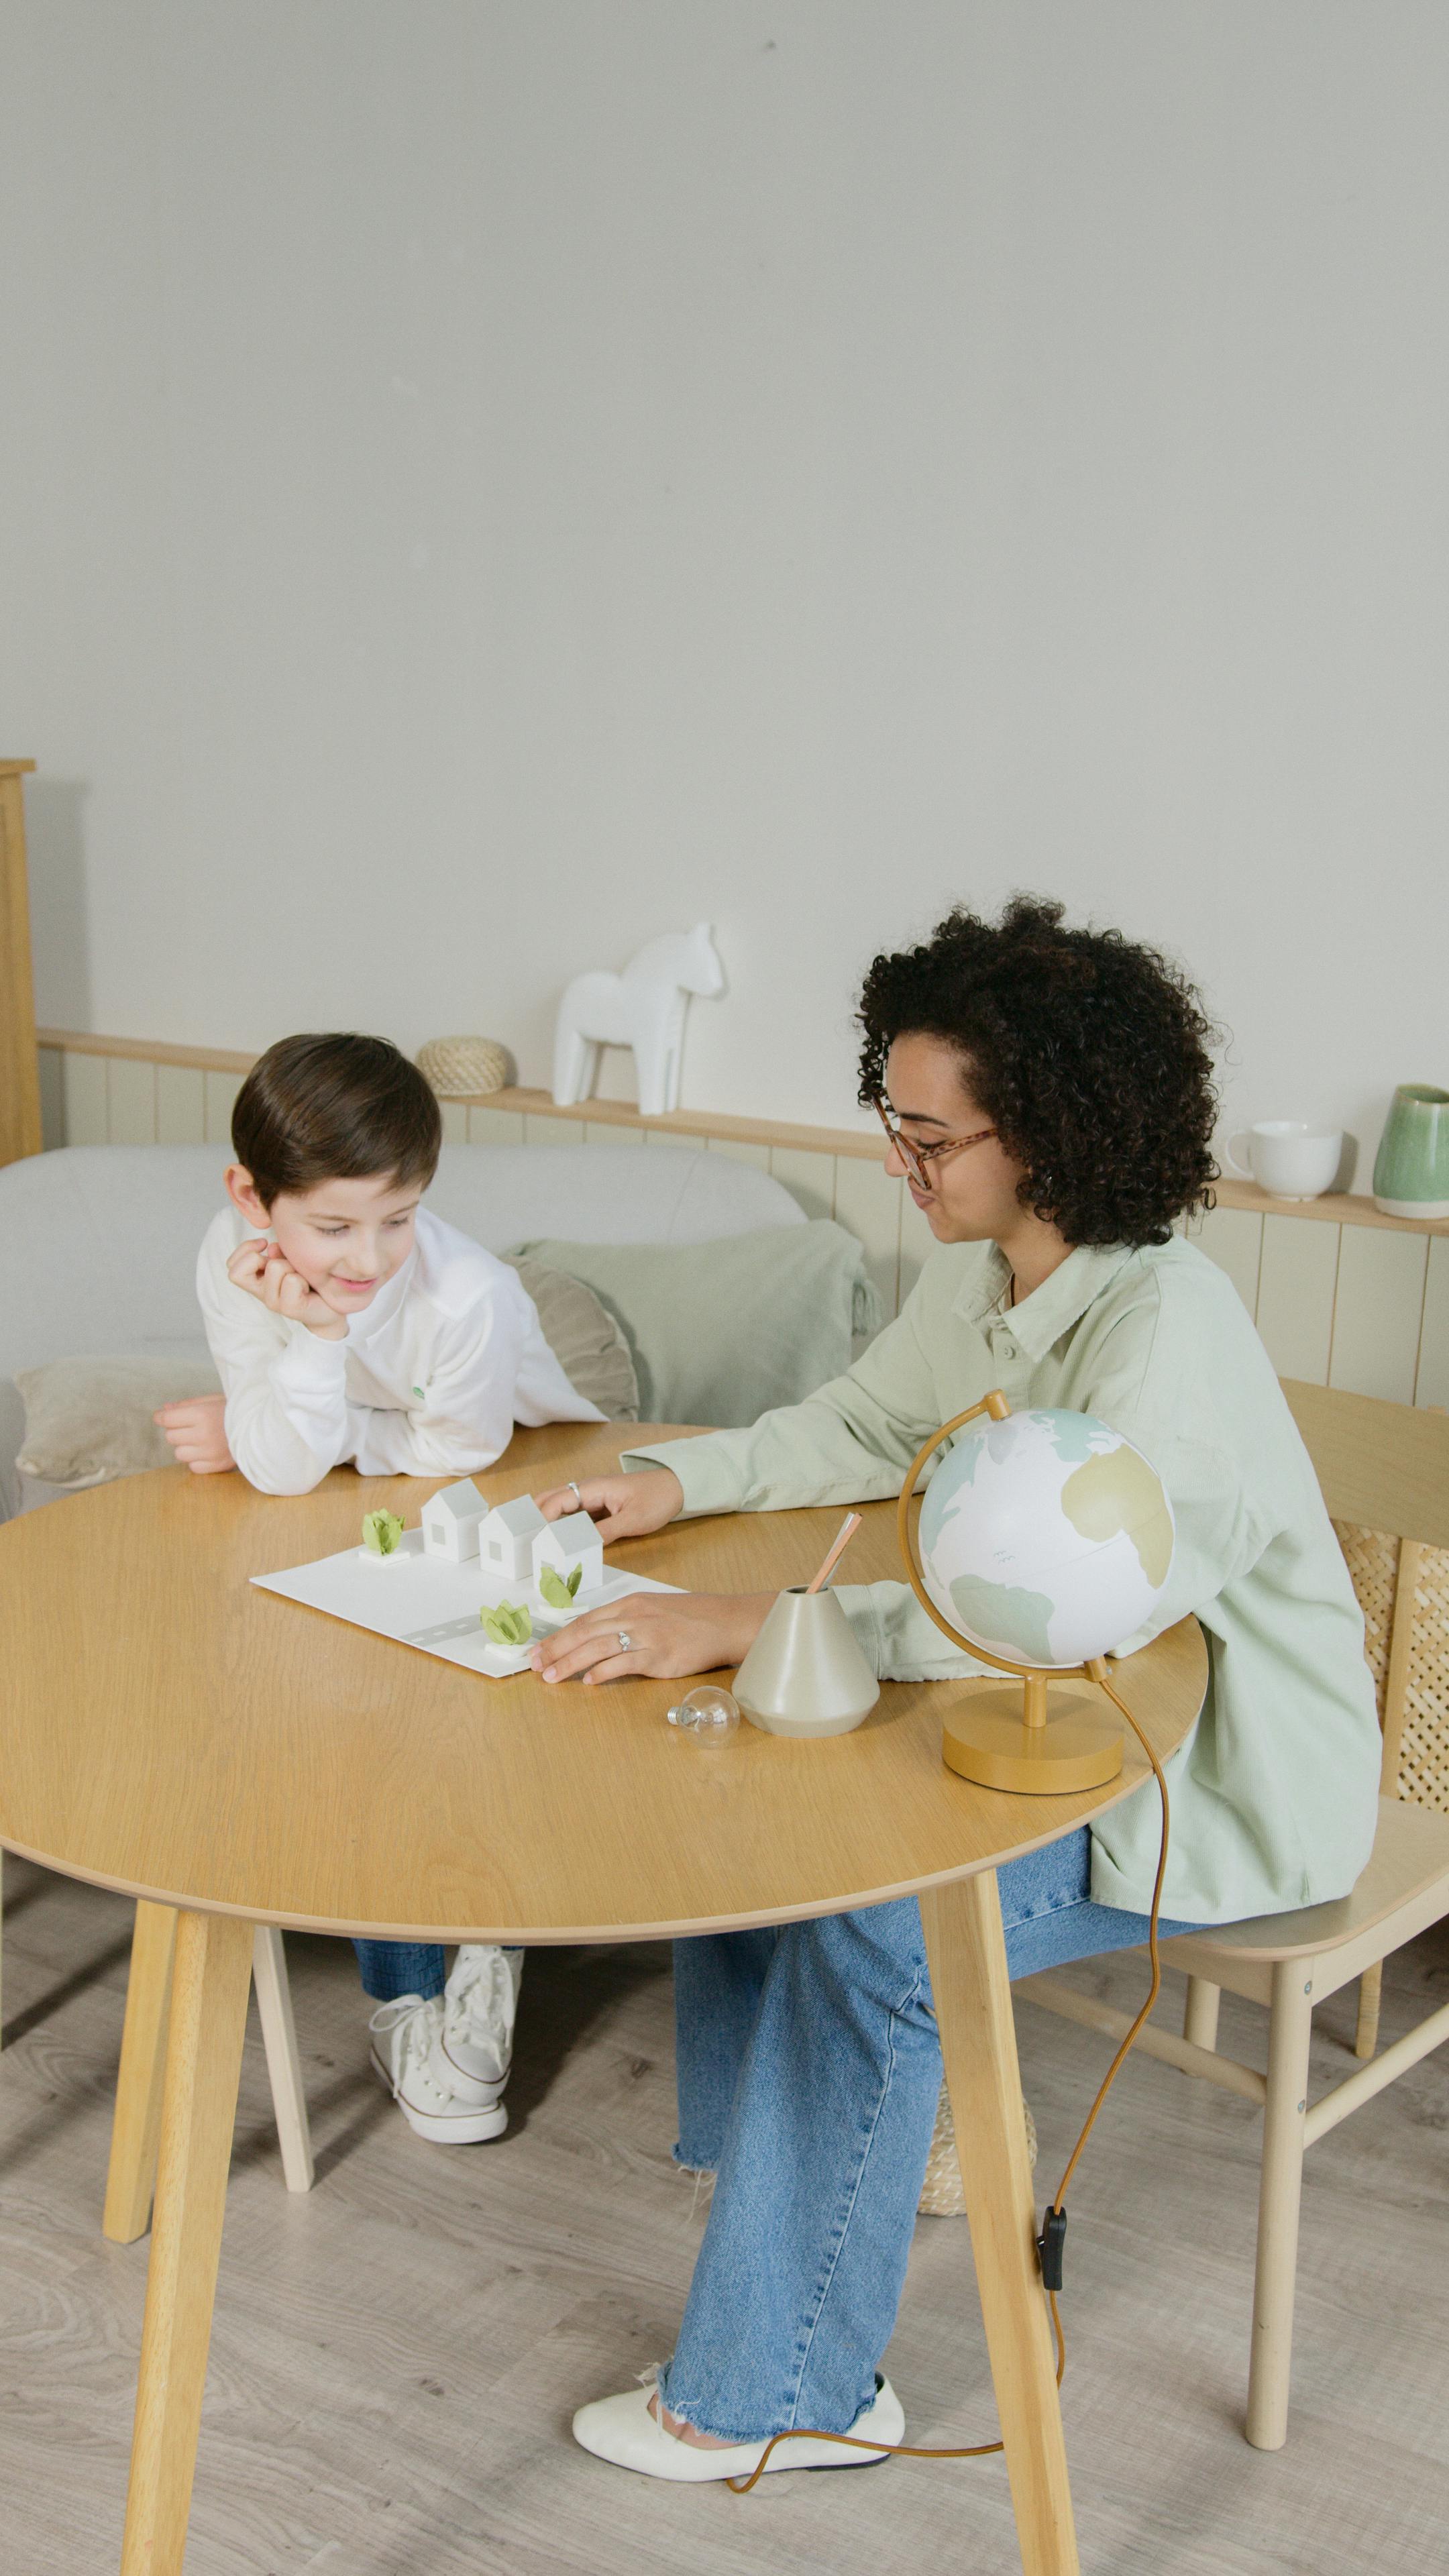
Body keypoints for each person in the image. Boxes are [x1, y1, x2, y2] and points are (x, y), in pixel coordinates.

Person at [522, 897, 1381, 2483]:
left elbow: (1072, 1622)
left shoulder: (1164, 1330)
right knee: (752, 1800)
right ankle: (781, 2183)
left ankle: (782, 2391)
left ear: (1044, 1134)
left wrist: (763, 1620)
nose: (900, 1167)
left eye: (929, 1139)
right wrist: (677, 1480)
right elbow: (860, 1426)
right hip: (1057, 1718)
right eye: (894, 1125)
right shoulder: (988, 1275)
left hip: (1207, 1781)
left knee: (879, 1922)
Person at [156, 1030, 605, 2147]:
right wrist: (315, 1339)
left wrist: (286, 1425)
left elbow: (461, 1447)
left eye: (399, 1219)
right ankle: (409, 1990)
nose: (368, 1259)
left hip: (517, 1471)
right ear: (251, 1200)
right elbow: (280, 1468)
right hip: (374, 1480)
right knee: (323, 1679)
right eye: (333, 1227)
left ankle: (489, 1929)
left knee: (452, 1690)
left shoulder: (469, 1296)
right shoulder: (233, 1251)